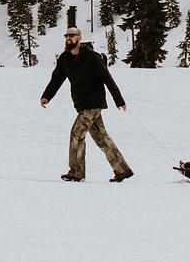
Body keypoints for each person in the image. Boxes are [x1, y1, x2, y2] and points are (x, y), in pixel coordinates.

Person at [40, 26, 133, 183]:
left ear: (79, 38)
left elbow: (107, 78)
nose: (69, 38)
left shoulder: (92, 57)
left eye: (72, 35)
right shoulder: (64, 59)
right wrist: (47, 96)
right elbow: (56, 79)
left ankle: (77, 172)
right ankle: (122, 169)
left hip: (94, 102)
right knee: (101, 137)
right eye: (67, 35)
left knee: (77, 133)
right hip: (82, 104)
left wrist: (119, 100)